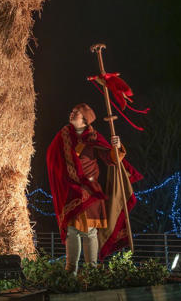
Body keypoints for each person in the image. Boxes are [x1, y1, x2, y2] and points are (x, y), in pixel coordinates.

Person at [46, 103, 142, 274]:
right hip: (70, 191)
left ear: (84, 120)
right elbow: (53, 158)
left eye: (76, 113)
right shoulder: (63, 136)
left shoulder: (94, 137)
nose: (71, 113)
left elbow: (111, 159)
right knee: (72, 231)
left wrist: (116, 146)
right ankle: (70, 273)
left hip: (91, 191)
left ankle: (92, 273)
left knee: (90, 232)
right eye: (73, 111)